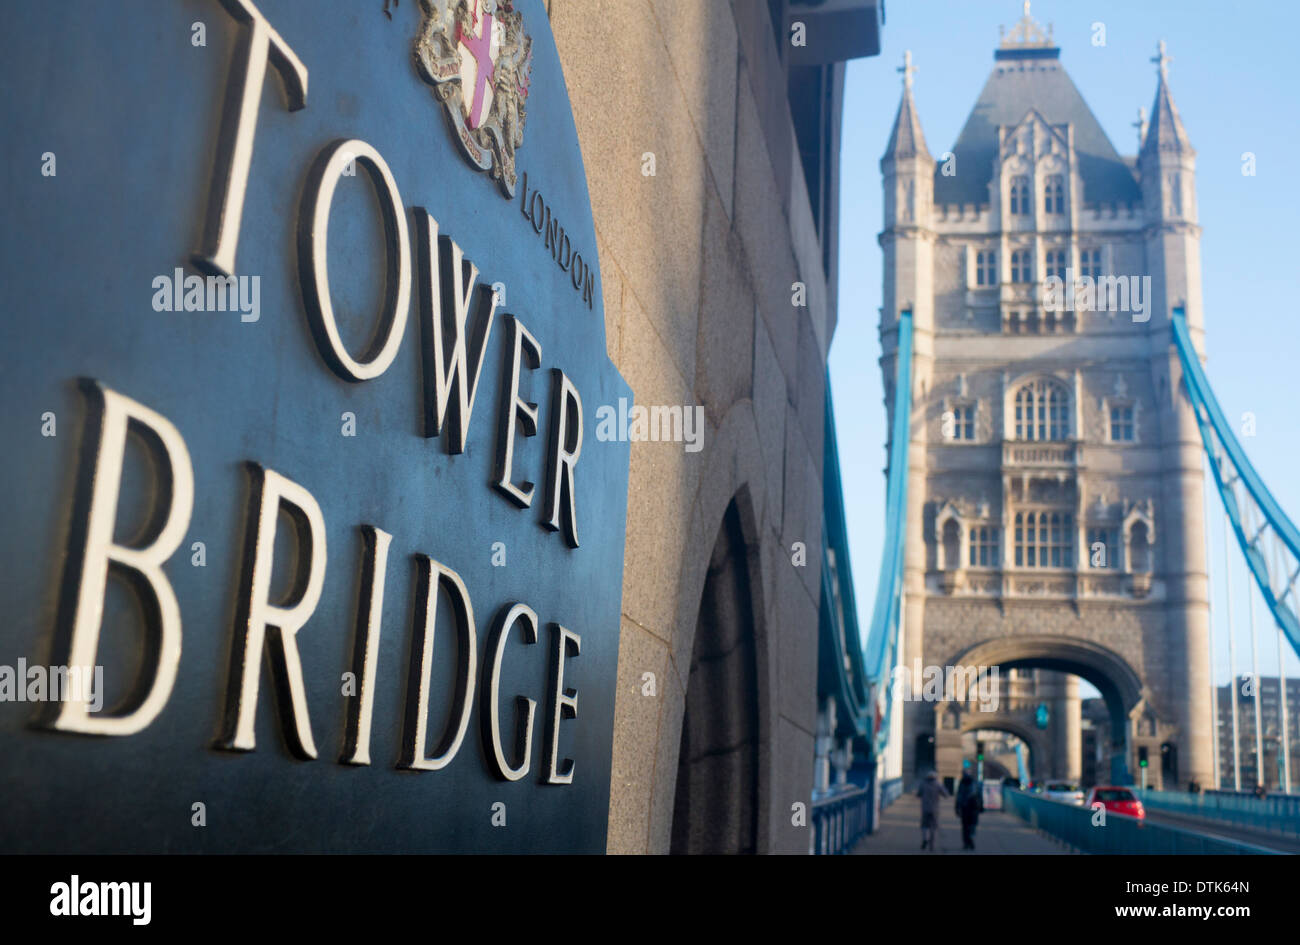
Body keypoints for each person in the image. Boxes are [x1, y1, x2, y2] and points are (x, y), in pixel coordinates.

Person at [916, 770, 949, 850]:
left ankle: (925, 839)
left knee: (924, 825)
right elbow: (946, 795)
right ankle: (932, 844)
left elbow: (918, 794)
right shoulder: (938, 784)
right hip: (935, 809)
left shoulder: (923, 784)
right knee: (933, 827)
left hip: (925, 809)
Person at [955, 771, 984, 850]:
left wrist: (957, 808)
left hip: (965, 808)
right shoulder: (975, 783)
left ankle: (966, 842)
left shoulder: (962, 783)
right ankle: (971, 838)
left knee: (965, 826)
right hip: (974, 808)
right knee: (973, 825)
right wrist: (981, 806)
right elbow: (980, 795)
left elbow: (959, 796)